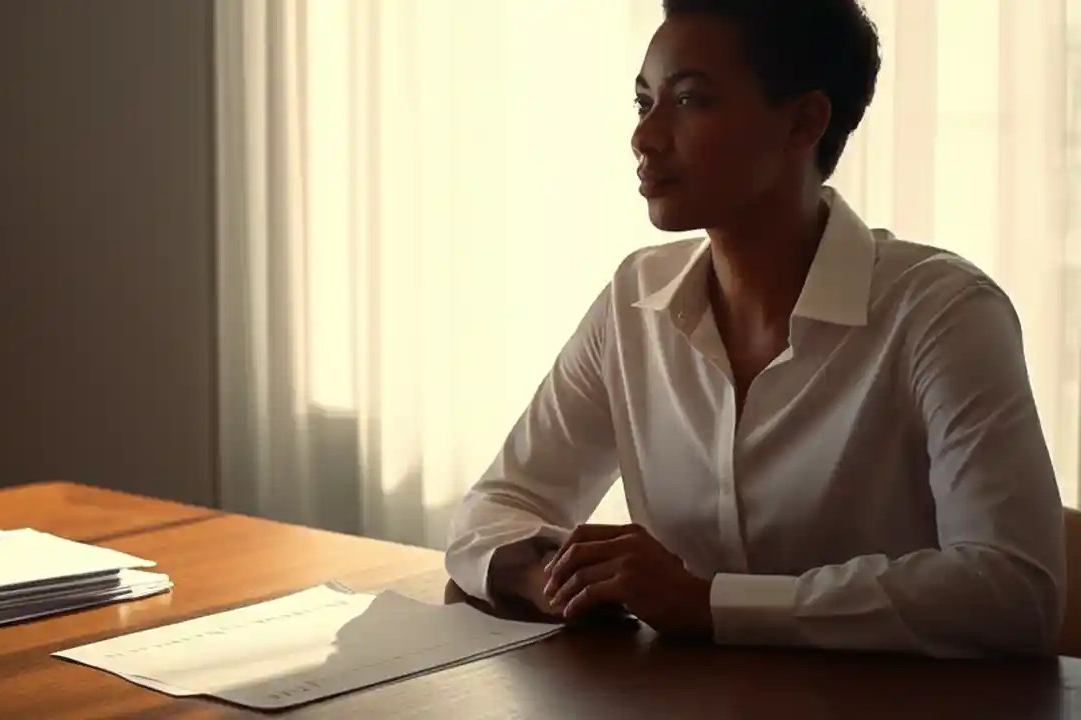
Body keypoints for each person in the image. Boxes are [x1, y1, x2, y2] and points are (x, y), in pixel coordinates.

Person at [444, 0, 1064, 658]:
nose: (646, 138)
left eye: (689, 101)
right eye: (643, 103)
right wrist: (550, 577)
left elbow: (1013, 590)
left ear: (805, 121)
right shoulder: (635, 301)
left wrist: (712, 603)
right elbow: (494, 507)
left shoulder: (942, 313)